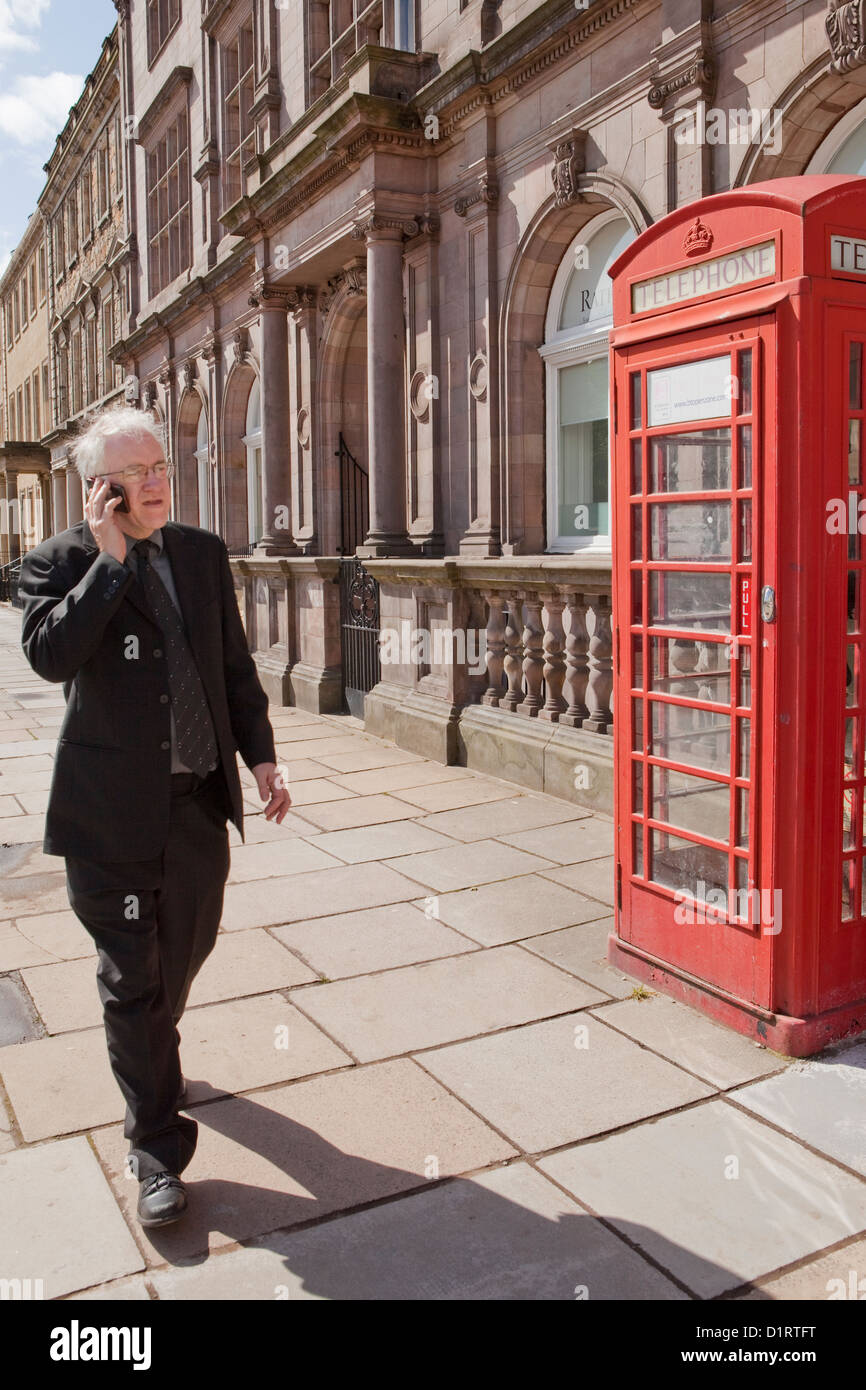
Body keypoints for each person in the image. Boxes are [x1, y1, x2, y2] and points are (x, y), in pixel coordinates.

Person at [17, 405, 291, 1228]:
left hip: (195, 809)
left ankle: (149, 1054)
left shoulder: (202, 556)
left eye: (161, 466)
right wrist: (107, 565)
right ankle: (155, 1151)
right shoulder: (56, 563)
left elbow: (232, 668)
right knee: (130, 982)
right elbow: (48, 656)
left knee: (184, 954)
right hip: (108, 819)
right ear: (97, 488)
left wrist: (262, 756)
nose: (157, 483)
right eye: (136, 474)